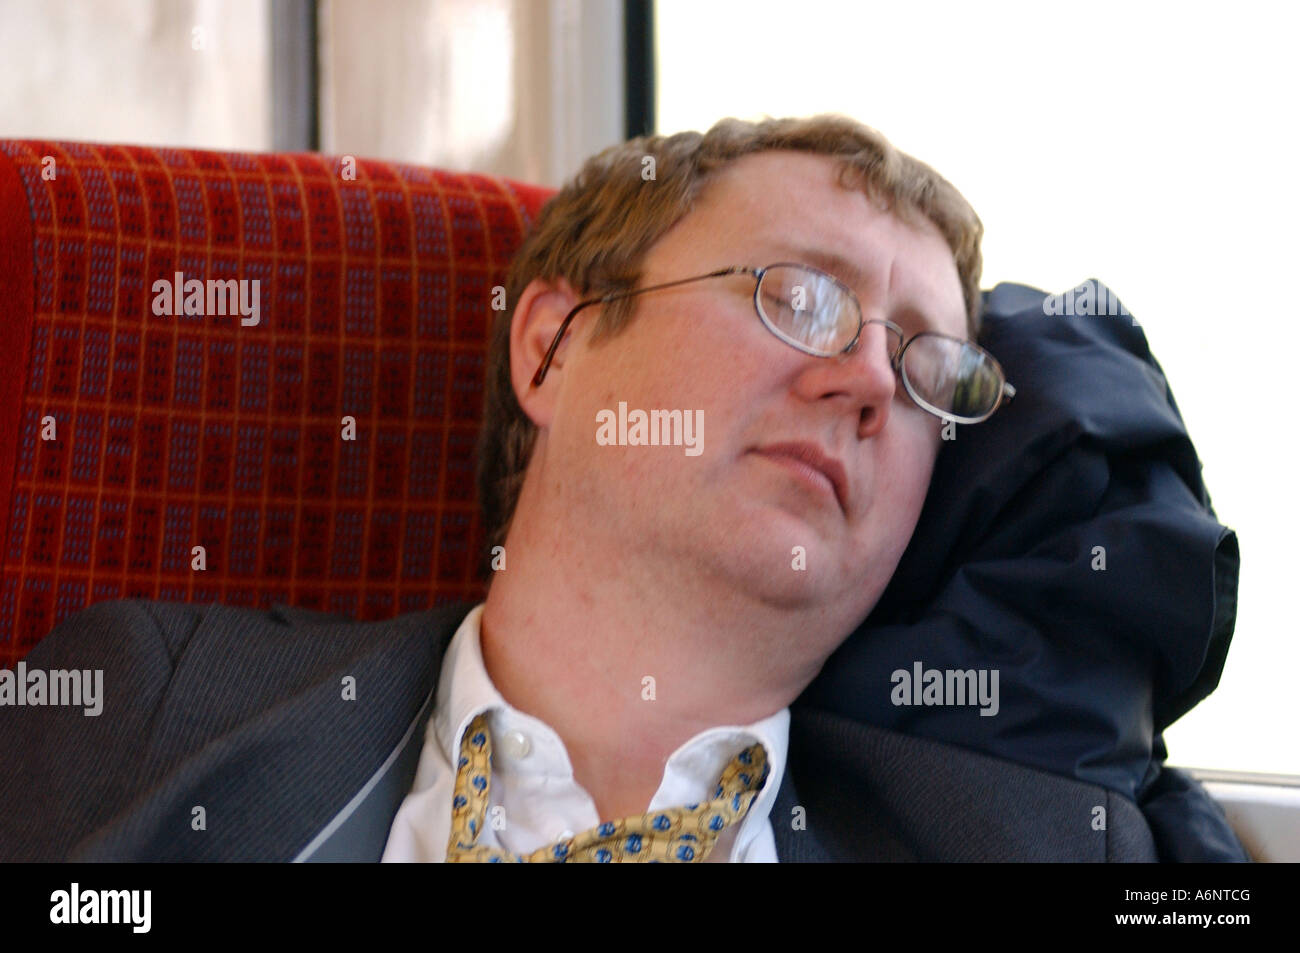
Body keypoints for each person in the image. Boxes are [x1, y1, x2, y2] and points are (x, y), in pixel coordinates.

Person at [4, 115, 1162, 864]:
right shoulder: (138, 714)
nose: (868, 377)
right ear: (554, 345)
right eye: (799, 295)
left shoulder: (1048, 848)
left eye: (926, 366)